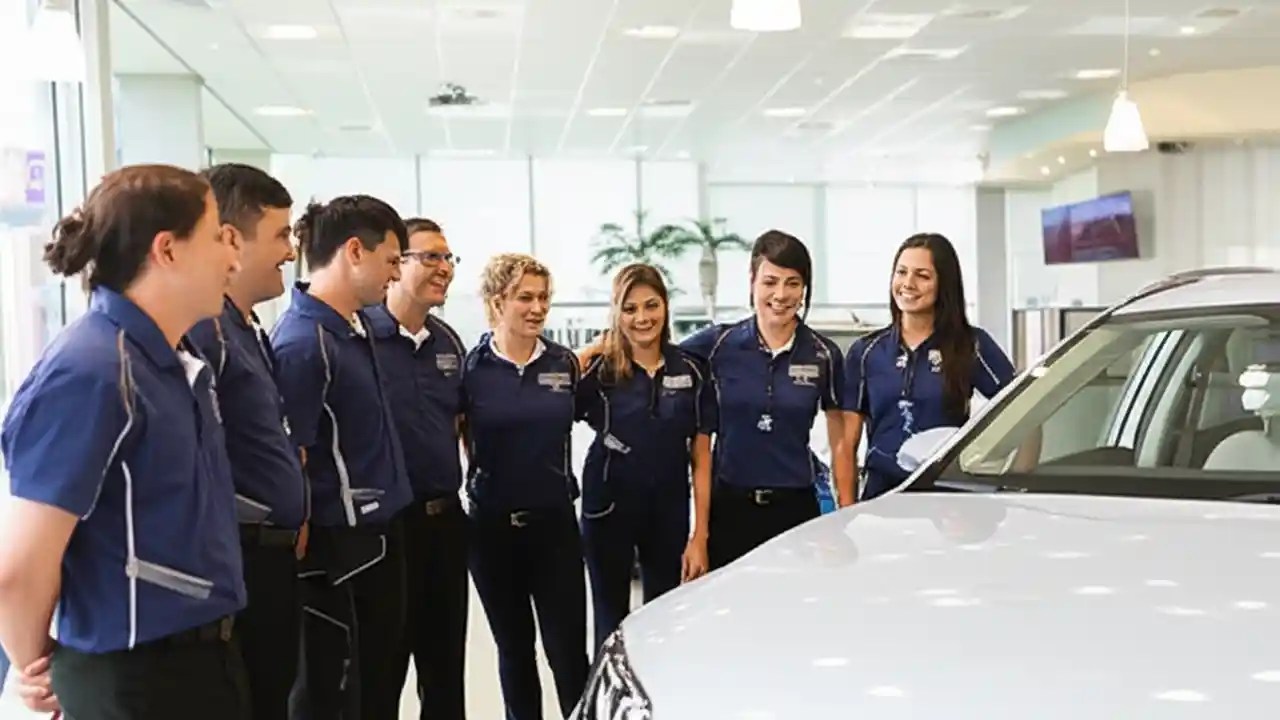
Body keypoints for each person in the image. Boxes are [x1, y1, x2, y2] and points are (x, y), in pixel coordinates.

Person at [0, 164, 246, 718]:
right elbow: (19, 568)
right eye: (216, 238)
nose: (232, 258)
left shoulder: (172, 360)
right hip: (133, 677)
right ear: (168, 250)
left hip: (199, 659)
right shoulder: (90, 372)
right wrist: (36, 665)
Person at [270, 195, 412, 720]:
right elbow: (296, 453)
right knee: (335, 695)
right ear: (355, 251)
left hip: (379, 535)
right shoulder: (303, 343)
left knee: (378, 691)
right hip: (339, 550)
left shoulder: (355, 329)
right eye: (392, 261)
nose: (395, 276)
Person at [184, 163, 306, 720]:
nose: (290, 250)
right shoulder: (205, 332)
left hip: (270, 560)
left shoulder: (246, 328)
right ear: (232, 238)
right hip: (242, 560)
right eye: (281, 235)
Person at [462, 253, 588, 720]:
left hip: (553, 526)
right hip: (492, 530)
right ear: (498, 302)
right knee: (514, 651)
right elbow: (458, 430)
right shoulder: (472, 369)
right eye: (525, 297)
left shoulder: (562, 364)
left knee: (568, 651)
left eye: (543, 298)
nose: (537, 308)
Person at [680, 230, 849, 569]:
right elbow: (654, 354)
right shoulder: (717, 344)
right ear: (752, 281)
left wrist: (842, 523)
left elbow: (842, 443)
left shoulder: (823, 355)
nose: (781, 295)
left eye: (793, 283)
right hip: (729, 507)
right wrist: (698, 535)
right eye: (770, 281)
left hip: (796, 510)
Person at [574, 263, 714, 651]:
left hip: (666, 509)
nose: (642, 318)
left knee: (664, 619)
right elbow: (553, 400)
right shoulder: (601, 371)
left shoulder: (691, 370)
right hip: (608, 508)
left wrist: (699, 535)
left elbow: (701, 458)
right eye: (630, 309)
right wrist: (590, 350)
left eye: (651, 306)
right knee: (609, 621)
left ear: (666, 307)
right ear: (616, 313)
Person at [367, 218, 469, 720]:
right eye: (431, 257)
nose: (444, 268)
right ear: (395, 265)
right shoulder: (359, 336)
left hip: (445, 524)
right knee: (382, 670)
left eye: (448, 258)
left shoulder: (448, 342)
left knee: (445, 670)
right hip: (388, 530)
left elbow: (461, 422)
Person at [841, 232, 1015, 503]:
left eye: (922, 275)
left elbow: (1023, 410)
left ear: (943, 284)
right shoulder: (866, 352)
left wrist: (1012, 485)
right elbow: (845, 446)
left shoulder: (971, 344)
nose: (908, 284)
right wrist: (846, 512)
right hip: (881, 501)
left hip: (948, 505)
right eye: (901, 272)